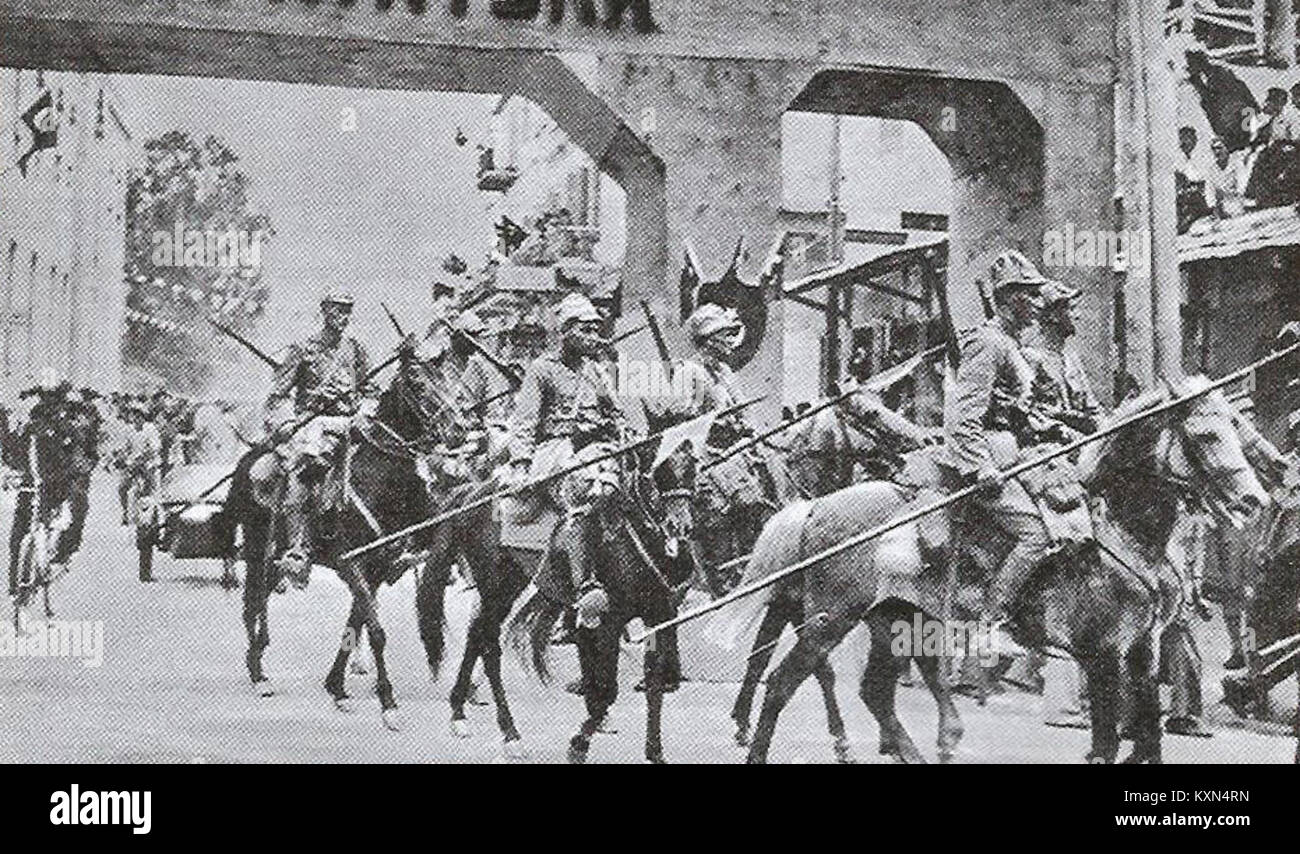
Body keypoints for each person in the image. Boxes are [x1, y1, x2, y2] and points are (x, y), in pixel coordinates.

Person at [943, 250, 1052, 653]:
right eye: (1031, 296)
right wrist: (981, 466)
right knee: (1036, 535)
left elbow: (1018, 409)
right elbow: (962, 416)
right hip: (988, 456)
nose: (1039, 305)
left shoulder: (1009, 344)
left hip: (1014, 451)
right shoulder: (988, 343)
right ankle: (991, 624)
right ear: (1011, 299)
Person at [505, 292, 625, 618]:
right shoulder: (542, 369)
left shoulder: (597, 371)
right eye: (584, 330)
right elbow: (526, 420)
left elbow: (615, 413)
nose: (592, 337)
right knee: (587, 489)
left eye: (595, 330)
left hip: (597, 447)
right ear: (566, 331)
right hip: (556, 450)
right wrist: (520, 463)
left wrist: (623, 432)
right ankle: (582, 586)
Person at [264, 289, 377, 577]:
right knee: (307, 465)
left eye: (348, 310)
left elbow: (371, 391)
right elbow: (278, 397)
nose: (344, 316)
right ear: (324, 310)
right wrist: (286, 422)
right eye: (338, 309)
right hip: (312, 425)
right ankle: (298, 547)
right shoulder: (304, 348)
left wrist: (364, 412)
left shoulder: (356, 350)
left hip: (349, 424)